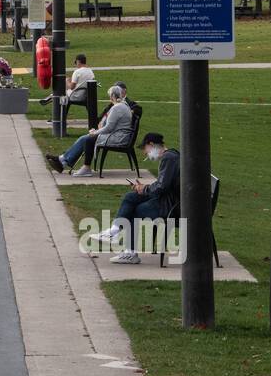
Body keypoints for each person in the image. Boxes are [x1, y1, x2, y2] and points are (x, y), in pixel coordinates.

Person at [87, 133, 181, 264]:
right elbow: (163, 185)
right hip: (169, 200)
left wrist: (144, 189)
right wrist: (143, 188)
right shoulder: (171, 156)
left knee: (134, 210)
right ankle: (114, 232)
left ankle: (128, 250)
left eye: (145, 150)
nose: (145, 154)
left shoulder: (169, 158)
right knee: (131, 197)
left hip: (172, 206)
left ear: (151, 145)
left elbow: (161, 187)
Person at [45, 85, 133, 176]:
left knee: (88, 139)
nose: (109, 98)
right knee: (85, 138)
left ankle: (83, 167)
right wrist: (95, 132)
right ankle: (62, 161)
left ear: (113, 96)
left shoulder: (117, 108)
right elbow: (110, 126)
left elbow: (109, 127)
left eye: (110, 96)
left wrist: (95, 132)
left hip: (117, 137)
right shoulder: (122, 105)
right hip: (117, 135)